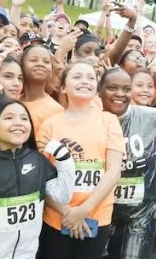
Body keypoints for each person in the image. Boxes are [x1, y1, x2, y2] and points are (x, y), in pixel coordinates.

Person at [0, 98, 74, 258]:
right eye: (9, 118)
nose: (18, 123)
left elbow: (62, 196)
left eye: (24, 118)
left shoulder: (38, 161)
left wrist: (64, 157)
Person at [36, 61, 124, 259]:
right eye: (77, 77)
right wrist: (66, 212)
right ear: (63, 87)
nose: (85, 81)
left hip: (96, 216)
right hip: (57, 217)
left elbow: (113, 172)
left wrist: (84, 210)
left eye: (91, 77)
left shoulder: (109, 120)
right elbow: (42, 178)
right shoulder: (50, 125)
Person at [101, 67, 156, 259]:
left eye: (125, 89)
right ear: (100, 90)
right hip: (102, 209)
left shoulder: (152, 117)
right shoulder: (91, 120)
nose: (120, 94)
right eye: (112, 88)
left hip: (143, 212)